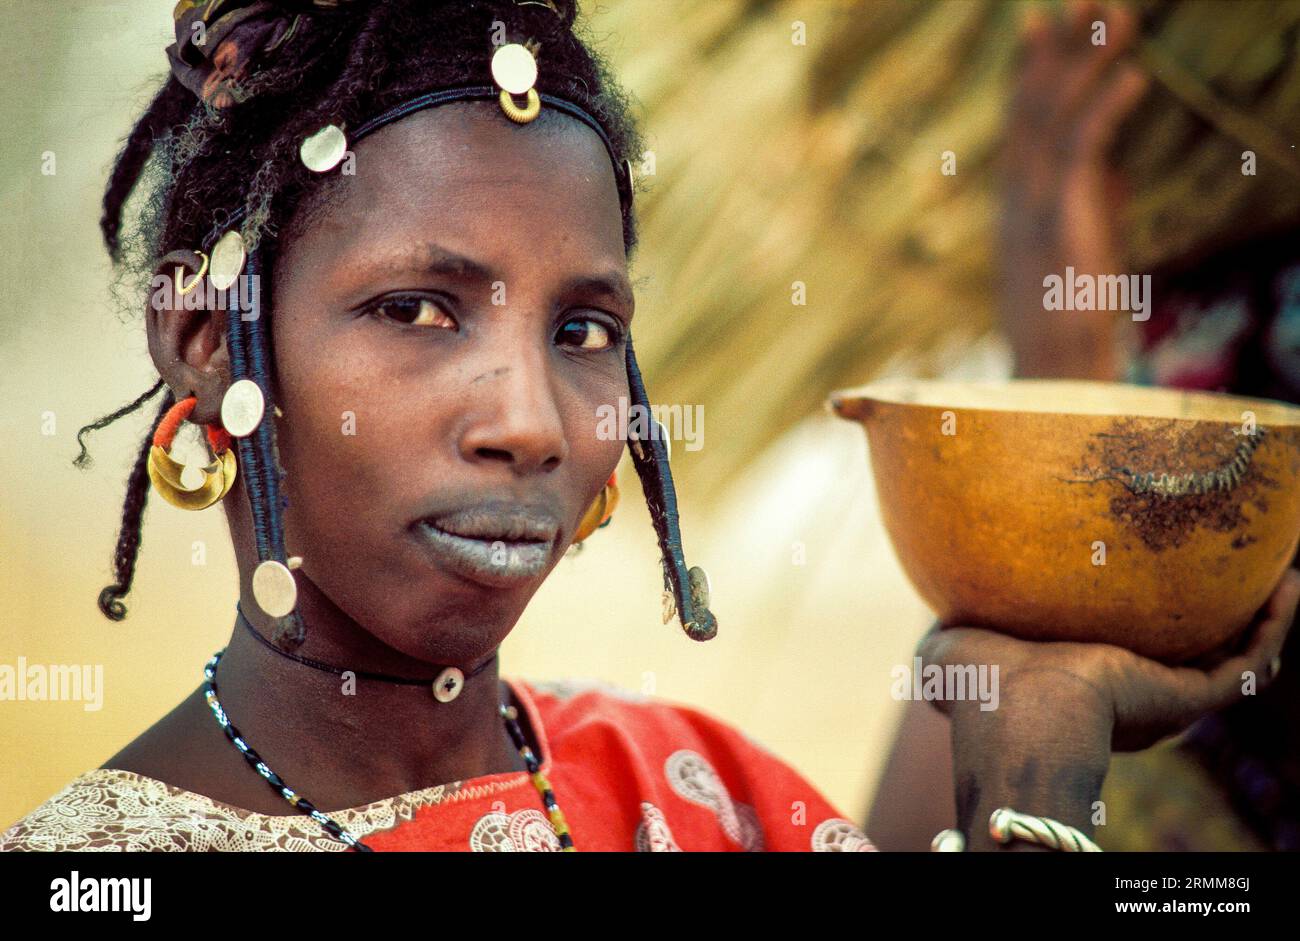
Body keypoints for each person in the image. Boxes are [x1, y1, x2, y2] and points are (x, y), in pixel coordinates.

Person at [3, 0, 1295, 853]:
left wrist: (1035, 769)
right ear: (208, 336)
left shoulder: (706, 794)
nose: (529, 421)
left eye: (582, 331)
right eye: (417, 307)